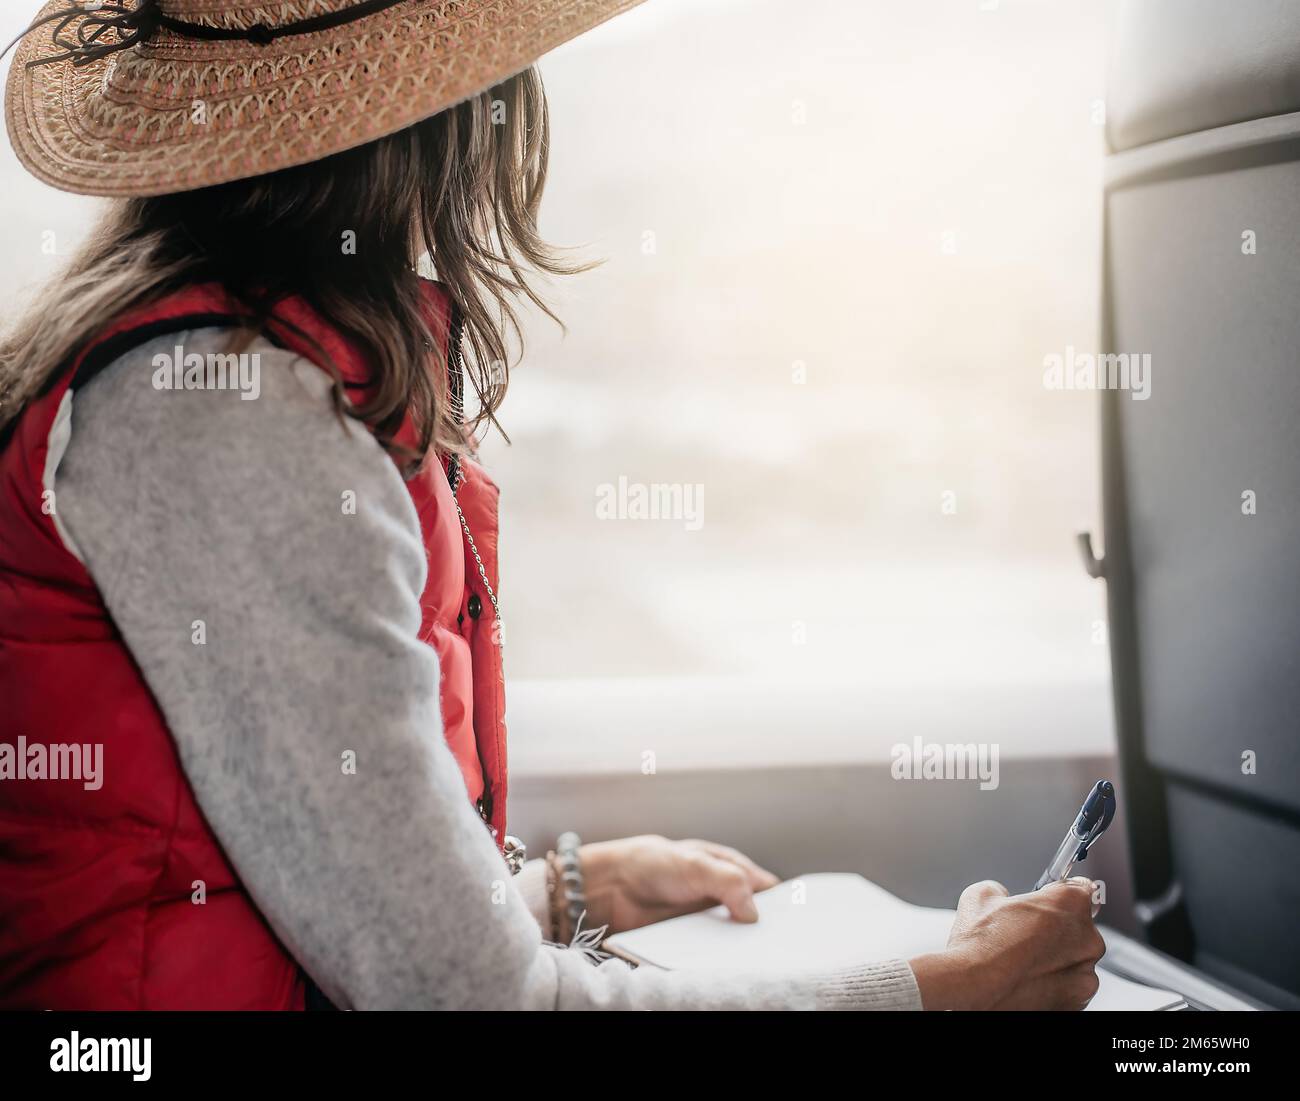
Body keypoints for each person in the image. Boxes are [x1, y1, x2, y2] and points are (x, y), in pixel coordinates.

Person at [0, 0, 1104, 1010]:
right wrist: (940, 994)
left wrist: (556, 894)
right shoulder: (231, 412)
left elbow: (295, 877)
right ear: (454, 112)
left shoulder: (215, 369)